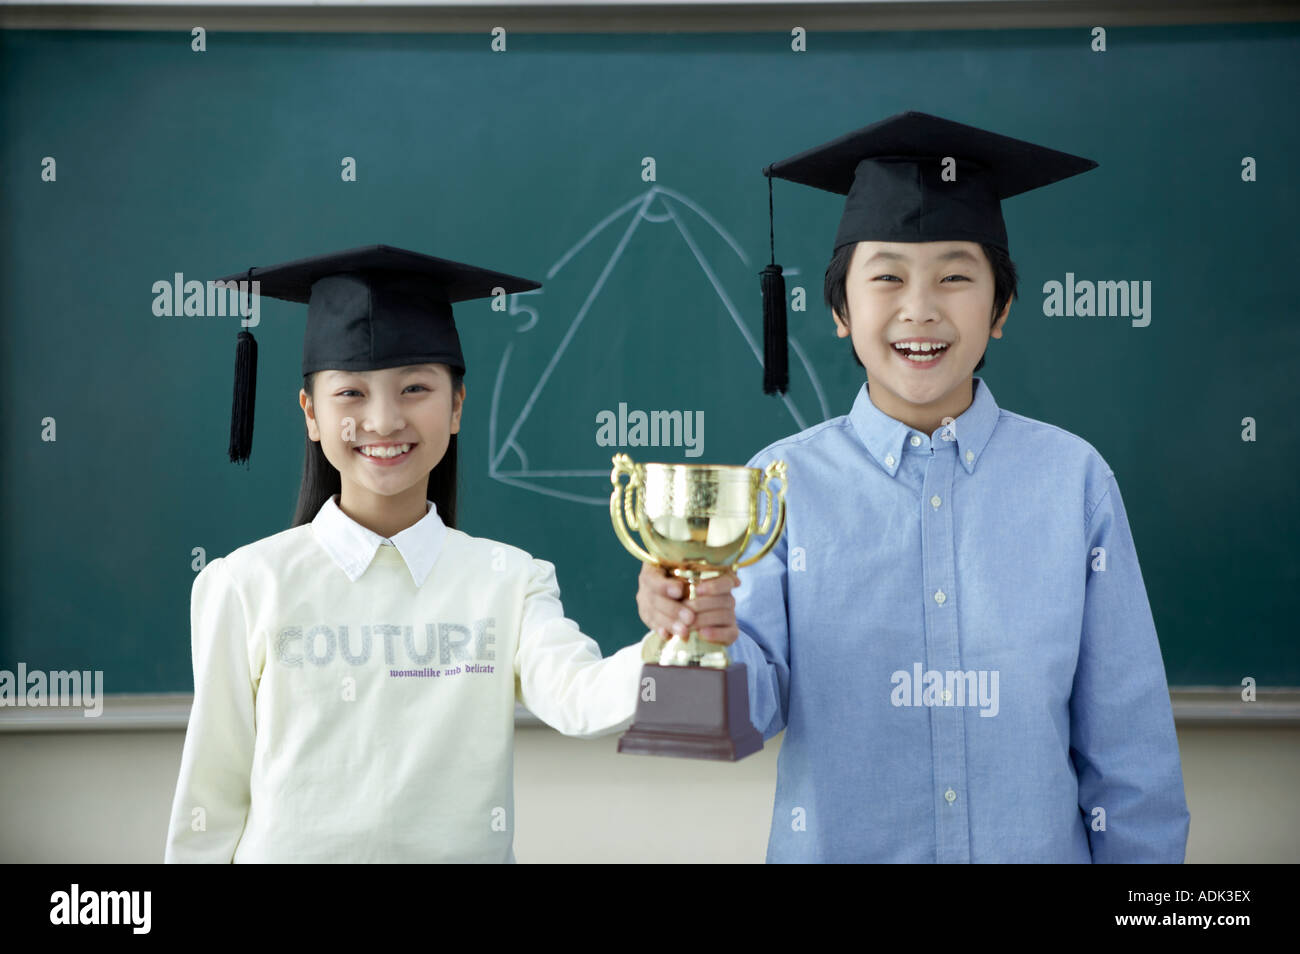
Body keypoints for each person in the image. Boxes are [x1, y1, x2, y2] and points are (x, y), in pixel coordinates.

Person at [637, 111, 1191, 862]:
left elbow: (1131, 754)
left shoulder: (1074, 483)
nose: (920, 308)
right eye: (887, 276)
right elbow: (733, 724)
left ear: (1000, 309)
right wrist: (687, 635)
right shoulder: (778, 486)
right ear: (840, 311)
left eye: (956, 276)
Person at [165, 244, 650, 862]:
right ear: (310, 413)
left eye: (415, 387)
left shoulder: (505, 582)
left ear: (456, 407)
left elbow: (583, 697)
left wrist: (678, 641)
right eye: (351, 395)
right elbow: (209, 806)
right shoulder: (246, 584)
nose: (385, 419)